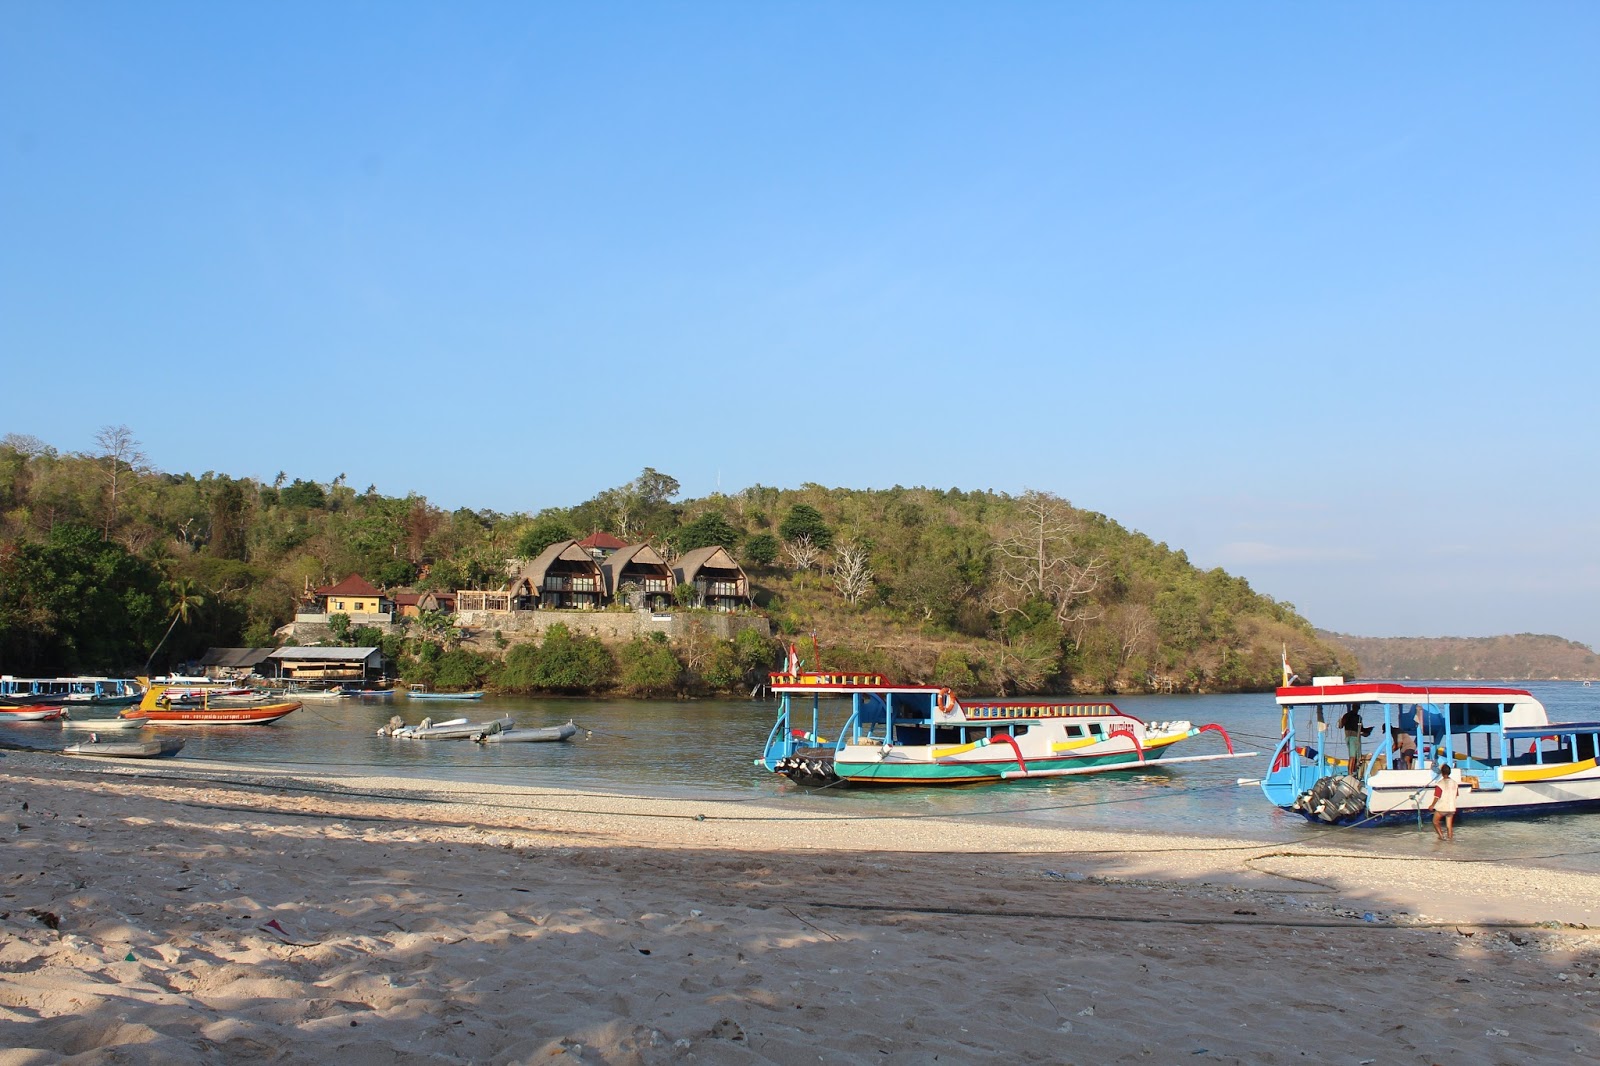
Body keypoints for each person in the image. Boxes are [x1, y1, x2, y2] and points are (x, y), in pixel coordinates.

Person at [1429, 764, 1460, 841]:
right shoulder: (1455, 783)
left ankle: (1441, 836)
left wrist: (1432, 805)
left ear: (1442, 773)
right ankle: (1450, 840)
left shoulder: (1440, 783)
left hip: (1442, 807)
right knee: (1449, 826)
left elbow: (1437, 797)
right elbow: (1456, 795)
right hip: (1452, 807)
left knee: (1435, 821)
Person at [1339, 704, 1371, 774]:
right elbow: (1340, 725)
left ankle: (1354, 772)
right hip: (1351, 737)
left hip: (1356, 737)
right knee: (1352, 756)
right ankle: (1350, 773)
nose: (1356, 709)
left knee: (1357, 757)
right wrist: (1341, 721)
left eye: (1357, 707)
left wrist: (1368, 730)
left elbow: (1361, 729)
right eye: (1356, 707)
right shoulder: (1348, 715)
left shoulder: (1358, 717)